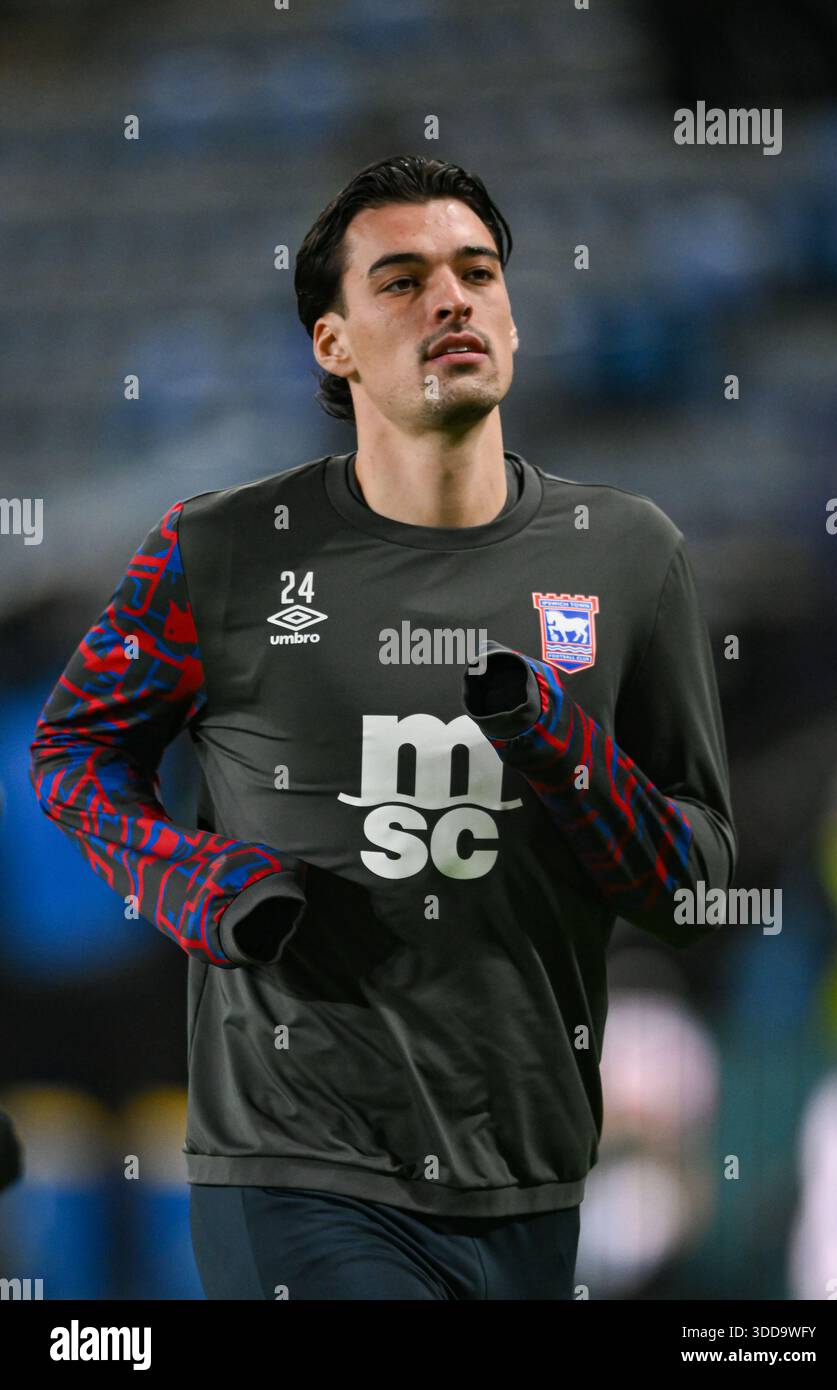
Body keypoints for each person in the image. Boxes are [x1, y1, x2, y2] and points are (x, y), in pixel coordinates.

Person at [29, 153, 736, 1300]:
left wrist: (556, 747)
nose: (452, 298)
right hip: (295, 1163)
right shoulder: (221, 550)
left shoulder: (629, 555)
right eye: (401, 281)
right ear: (333, 343)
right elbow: (71, 751)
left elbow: (690, 881)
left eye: (478, 271)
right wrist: (200, 883)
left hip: (532, 1173)